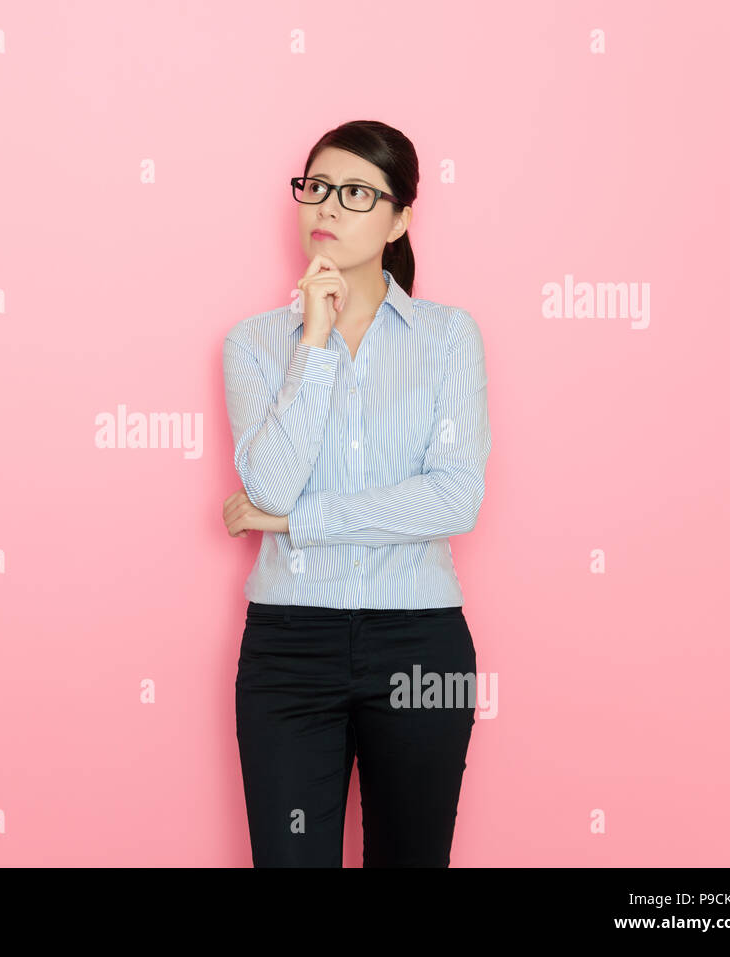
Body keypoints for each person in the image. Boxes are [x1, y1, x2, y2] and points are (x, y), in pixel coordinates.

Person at [220, 120, 492, 867]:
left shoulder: (447, 337)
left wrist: (295, 520)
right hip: (288, 649)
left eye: (357, 193)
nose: (327, 209)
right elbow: (268, 481)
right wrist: (313, 339)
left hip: (421, 646)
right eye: (316, 188)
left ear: (401, 216)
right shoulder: (253, 342)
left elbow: (455, 500)